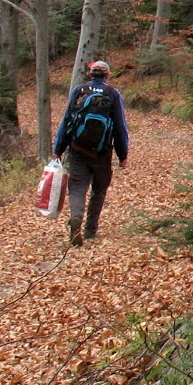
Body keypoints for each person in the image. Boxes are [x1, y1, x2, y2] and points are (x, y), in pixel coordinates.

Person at [53, 59, 129, 247]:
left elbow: (67, 120)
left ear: (90, 73)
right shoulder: (113, 94)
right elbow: (120, 127)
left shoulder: (79, 91)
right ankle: (90, 230)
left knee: (77, 188)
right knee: (99, 190)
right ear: (107, 75)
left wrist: (58, 149)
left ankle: (76, 217)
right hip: (102, 153)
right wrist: (123, 155)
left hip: (77, 150)